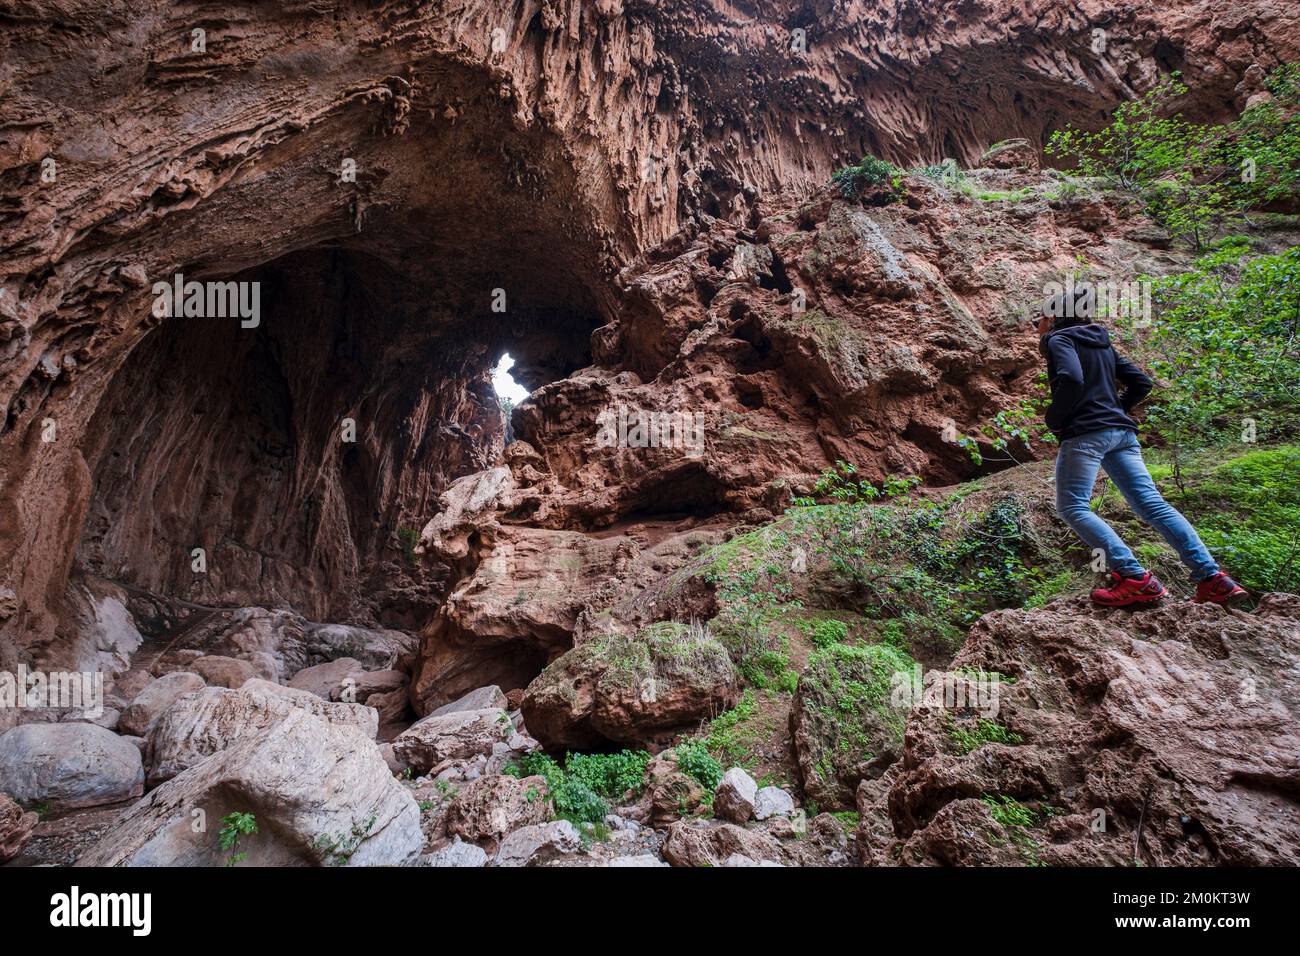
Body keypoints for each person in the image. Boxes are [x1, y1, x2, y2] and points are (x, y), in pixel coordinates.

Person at [1039, 286, 1246, 607]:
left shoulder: (1059, 338)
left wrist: (1054, 420)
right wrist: (1118, 408)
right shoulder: (1102, 342)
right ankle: (1212, 579)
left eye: (1043, 315)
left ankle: (1134, 578)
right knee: (1153, 505)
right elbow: (1141, 382)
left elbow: (1072, 378)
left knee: (1073, 507)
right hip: (1121, 433)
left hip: (1085, 433)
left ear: (1054, 315)